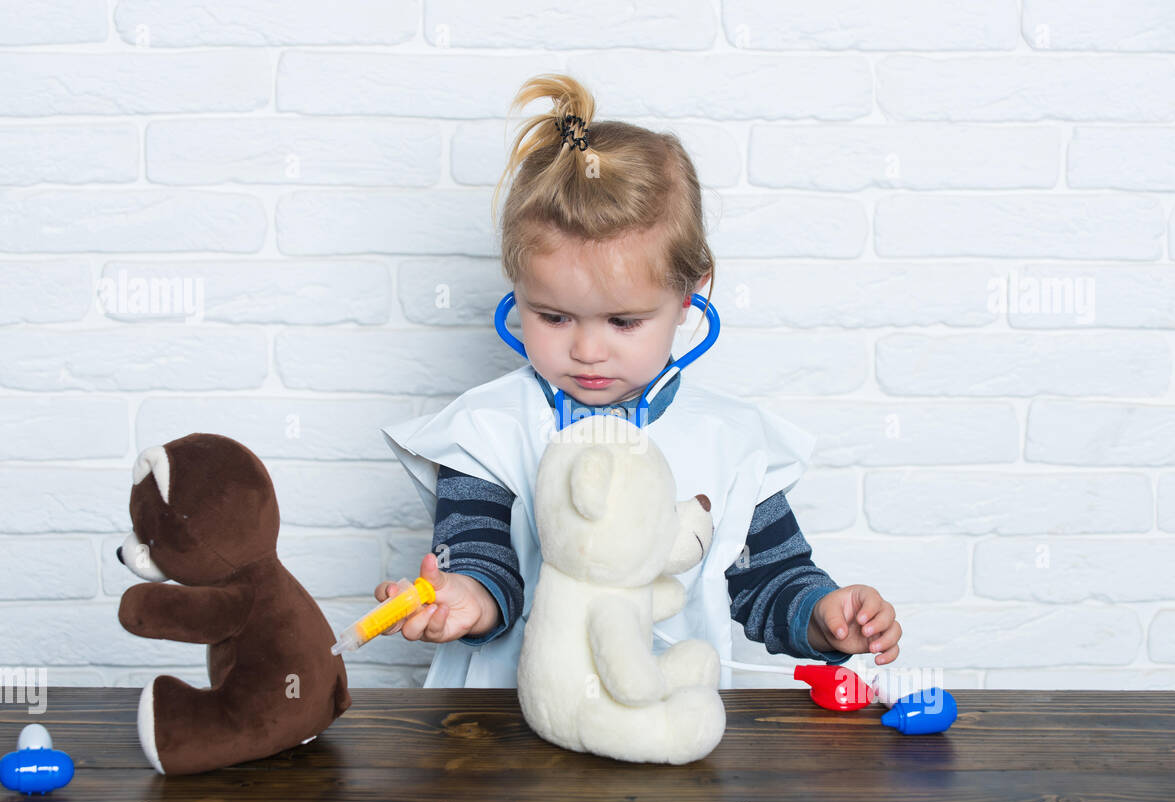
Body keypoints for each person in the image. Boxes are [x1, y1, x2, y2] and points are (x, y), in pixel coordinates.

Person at [379, 73, 901, 688]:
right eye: (552, 316)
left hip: (666, 733)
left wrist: (823, 616)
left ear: (689, 293)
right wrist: (466, 598)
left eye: (624, 321)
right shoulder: (488, 432)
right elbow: (481, 558)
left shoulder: (731, 441)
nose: (587, 350)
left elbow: (770, 581)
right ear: (517, 292)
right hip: (505, 738)